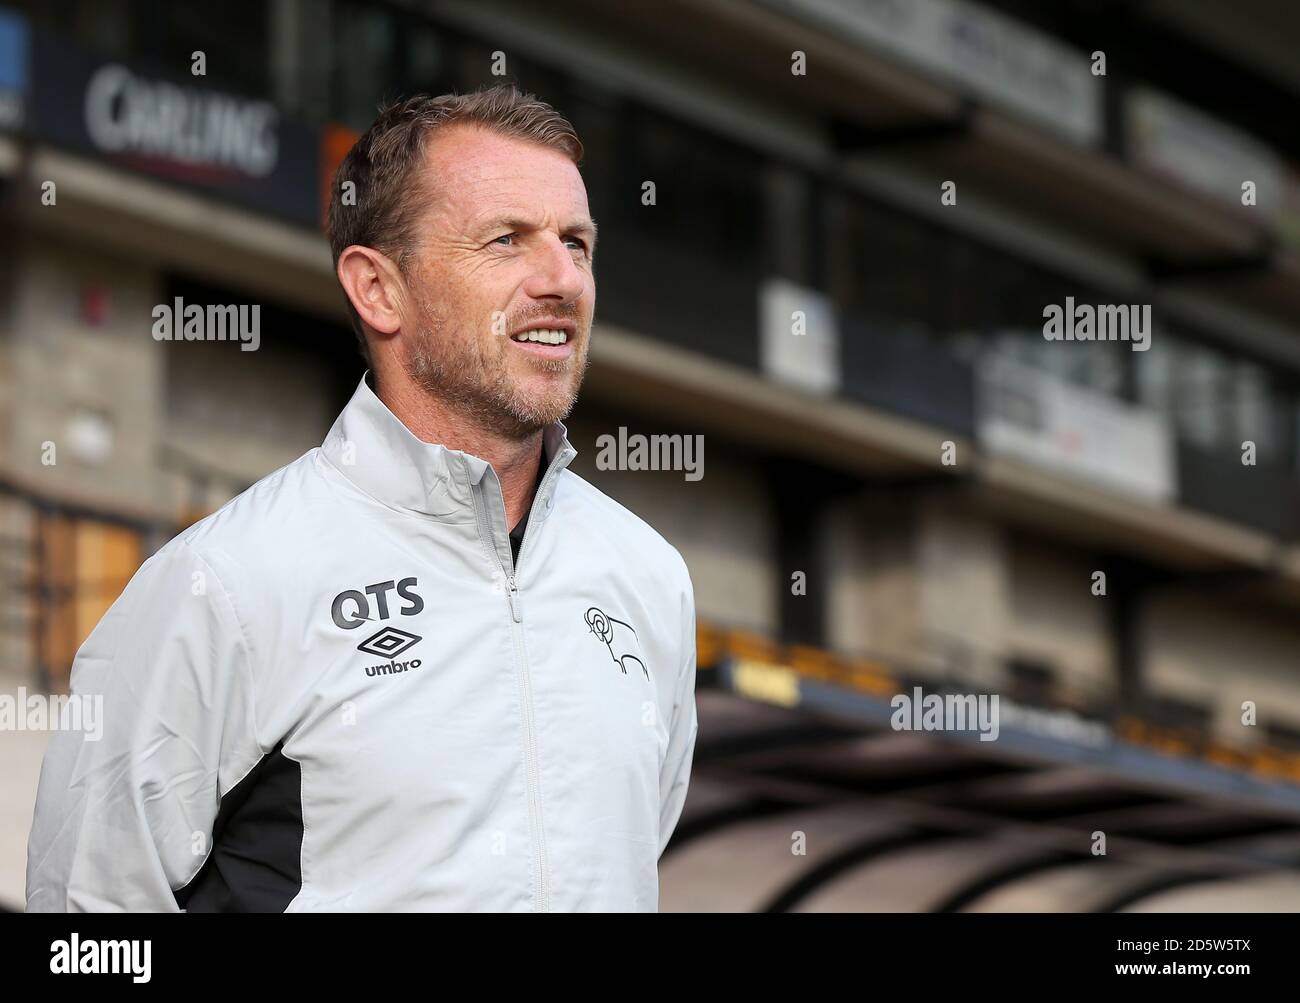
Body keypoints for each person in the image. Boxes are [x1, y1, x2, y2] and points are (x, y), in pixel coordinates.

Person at [26, 83, 698, 912]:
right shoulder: (225, 583)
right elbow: (86, 919)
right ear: (380, 289)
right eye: (506, 240)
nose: (562, 278)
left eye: (577, 243)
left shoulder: (650, 576)